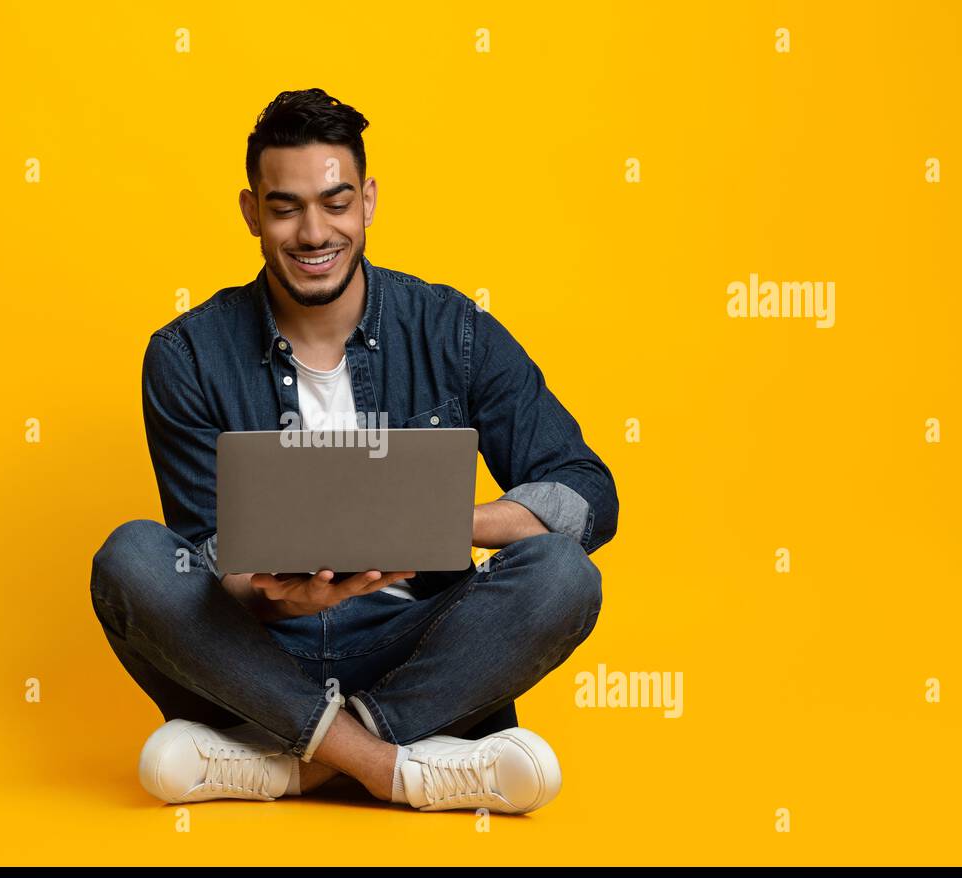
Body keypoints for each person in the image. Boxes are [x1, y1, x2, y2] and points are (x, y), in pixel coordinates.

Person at [90, 88, 618, 814]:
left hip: (415, 649)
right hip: (258, 656)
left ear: (367, 202)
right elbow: (202, 562)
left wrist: (441, 523)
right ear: (251, 212)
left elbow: (587, 494)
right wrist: (279, 596)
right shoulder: (187, 355)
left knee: (562, 572)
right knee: (131, 558)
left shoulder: (452, 330)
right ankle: (391, 767)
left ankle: (297, 764)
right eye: (286, 208)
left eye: (336, 203)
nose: (314, 233)